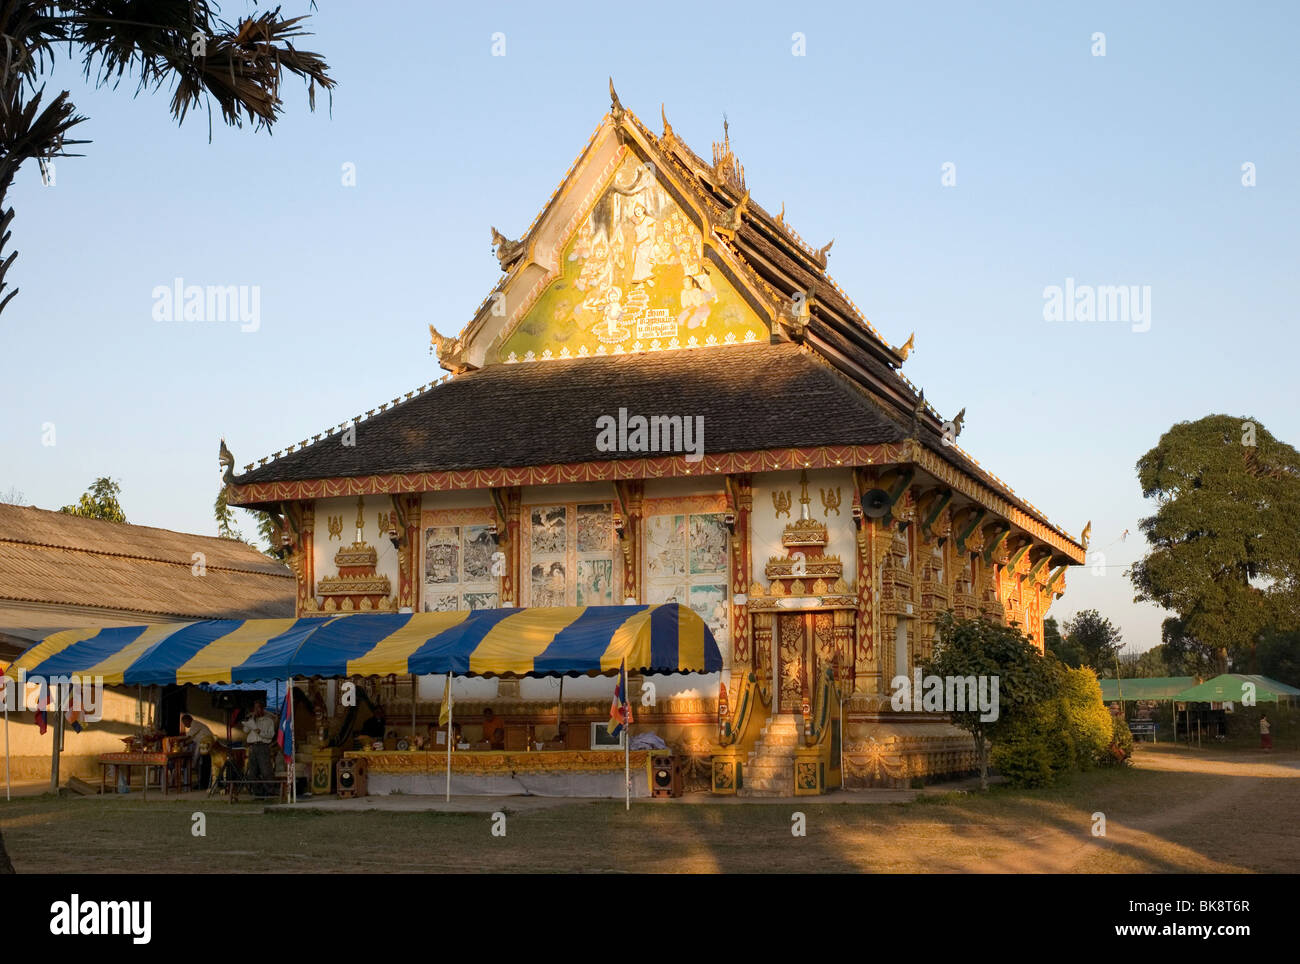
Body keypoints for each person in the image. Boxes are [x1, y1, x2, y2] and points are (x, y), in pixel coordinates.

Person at [243, 700, 278, 798]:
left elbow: (270, 735)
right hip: (252, 746)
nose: (256, 710)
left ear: (262, 709)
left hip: (263, 746)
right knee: (253, 771)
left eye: (258, 708)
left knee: (266, 770)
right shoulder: (252, 720)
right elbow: (245, 730)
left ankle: (270, 791)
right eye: (254, 708)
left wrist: (260, 732)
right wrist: (251, 720)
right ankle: (258, 792)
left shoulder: (268, 721)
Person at [180, 713, 214, 790]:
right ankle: (202, 783)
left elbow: (188, 737)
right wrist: (182, 744)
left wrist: (177, 740)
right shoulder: (195, 727)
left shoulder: (195, 724)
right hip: (204, 746)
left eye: (184, 723)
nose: (185, 725)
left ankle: (204, 784)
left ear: (188, 720)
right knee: (202, 765)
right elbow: (190, 740)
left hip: (206, 745)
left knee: (205, 766)